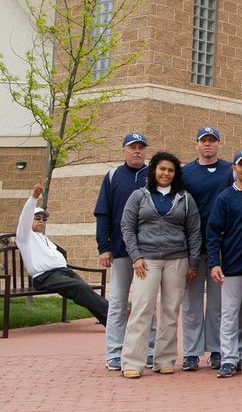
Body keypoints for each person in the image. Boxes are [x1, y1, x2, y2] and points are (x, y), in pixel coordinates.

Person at [119, 151, 202, 379]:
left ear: (175, 174)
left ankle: (164, 359)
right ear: (154, 170)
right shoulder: (139, 196)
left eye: (170, 170)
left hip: (177, 260)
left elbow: (194, 232)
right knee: (141, 309)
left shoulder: (185, 198)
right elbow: (127, 227)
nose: (166, 173)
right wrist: (135, 256)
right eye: (162, 169)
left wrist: (193, 262)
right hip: (146, 261)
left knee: (170, 311)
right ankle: (132, 362)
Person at [17, 181, 109, 326]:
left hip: (63, 272)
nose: (41, 221)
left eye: (44, 219)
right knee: (80, 288)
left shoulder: (43, 237)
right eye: (37, 218)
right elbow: (24, 218)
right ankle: (116, 318)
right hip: (45, 277)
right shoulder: (25, 236)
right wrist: (34, 197)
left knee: (85, 291)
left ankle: (110, 321)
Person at [94, 132, 149, 371]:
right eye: (132, 147)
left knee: (146, 304)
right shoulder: (113, 175)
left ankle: (148, 350)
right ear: (124, 150)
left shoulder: (154, 174)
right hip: (120, 249)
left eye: (141, 147)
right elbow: (103, 213)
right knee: (117, 302)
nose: (137, 151)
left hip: (148, 252)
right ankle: (115, 351)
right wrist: (103, 247)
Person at [206, 150, 242, 378]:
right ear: (234, 169)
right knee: (229, 314)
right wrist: (214, 262)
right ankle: (229, 358)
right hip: (231, 266)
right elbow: (213, 233)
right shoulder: (225, 197)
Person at [181, 126, 233, 372]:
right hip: (192, 247)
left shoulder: (228, 170)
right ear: (197, 144)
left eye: (212, 141)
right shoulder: (186, 173)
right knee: (191, 303)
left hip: (220, 249)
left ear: (219, 144)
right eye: (204, 141)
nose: (208, 145)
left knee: (217, 304)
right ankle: (191, 352)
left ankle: (217, 349)